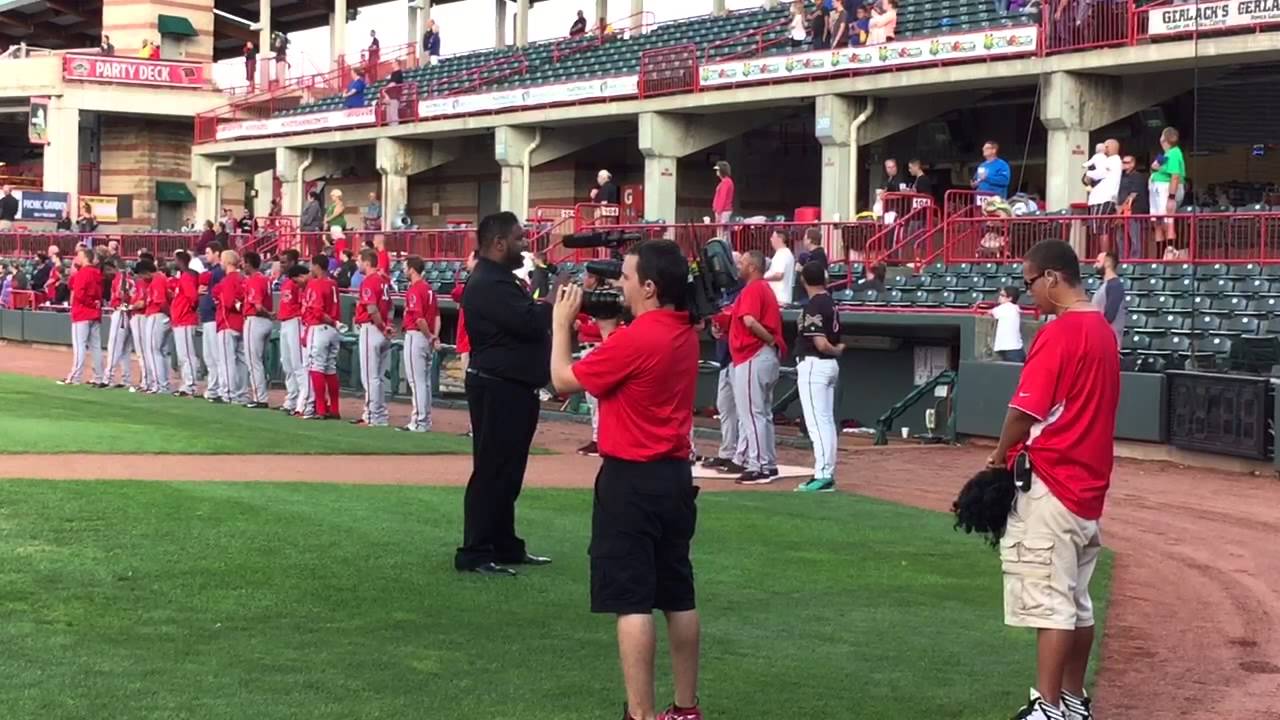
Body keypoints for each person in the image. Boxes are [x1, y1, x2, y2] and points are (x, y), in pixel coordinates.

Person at [548, 239, 704, 720]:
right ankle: (684, 708)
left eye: (629, 277)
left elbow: (562, 379)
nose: (620, 283)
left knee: (631, 601)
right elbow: (631, 354)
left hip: (630, 480)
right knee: (678, 593)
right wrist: (609, 325)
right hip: (675, 477)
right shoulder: (684, 330)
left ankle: (640, 714)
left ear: (650, 287)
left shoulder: (639, 339)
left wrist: (560, 326)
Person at [987, 239, 1118, 720]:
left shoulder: (1061, 333)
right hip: (1088, 488)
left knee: (1051, 604)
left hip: (1053, 481)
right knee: (1077, 603)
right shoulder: (1103, 330)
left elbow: (1024, 411)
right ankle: (1073, 702)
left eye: (1029, 284)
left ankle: (1048, 708)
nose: (1028, 296)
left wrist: (999, 455)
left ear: (1052, 278)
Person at [455, 211, 554, 576]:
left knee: (508, 472)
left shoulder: (500, 279)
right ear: (498, 243)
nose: (524, 244)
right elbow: (530, 322)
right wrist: (552, 301)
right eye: (518, 238)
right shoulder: (487, 282)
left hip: (513, 387)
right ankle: (475, 552)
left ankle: (504, 544)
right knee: (492, 472)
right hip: (498, 387)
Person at [728, 250, 786, 485]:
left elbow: (749, 321)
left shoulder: (753, 288)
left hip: (754, 354)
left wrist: (769, 340)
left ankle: (759, 465)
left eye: (742, 263)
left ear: (752, 267)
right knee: (762, 414)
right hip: (764, 356)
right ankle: (768, 463)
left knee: (752, 414)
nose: (738, 266)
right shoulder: (763, 288)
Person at [794, 260, 845, 493]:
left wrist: (836, 350)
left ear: (804, 280)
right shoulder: (830, 302)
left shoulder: (814, 305)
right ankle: (825, 473)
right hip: (827, 366)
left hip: (816, 365)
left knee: (818, 424)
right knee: (825, 423)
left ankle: (823, 474)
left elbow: (822, 344)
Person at [400, 256, 441, 432]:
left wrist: (430, 336)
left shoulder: (416, 289)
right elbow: (437, 316)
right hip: (426, 337)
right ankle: (424, 421)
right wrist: (434, 336)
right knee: (424, 383)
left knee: (417, 383)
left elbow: (418, 318)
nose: (403, 269)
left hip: (417, 336)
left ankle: (419, 422)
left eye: (405, 267)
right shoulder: (429, 289)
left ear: (412, 269)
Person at [354, 248, 393, 427]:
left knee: (370, 377)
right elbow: (391, 307)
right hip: (382, 330)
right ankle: (380, 415)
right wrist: (388, 325)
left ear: (367, 263)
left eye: (359, 260)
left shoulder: (369, 281)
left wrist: (382, 327)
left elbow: (372, 309)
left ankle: (372, 416)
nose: (357, 263)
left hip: (373, 329)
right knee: (378, 377)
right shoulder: (384, 281)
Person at [302, 254, 341, 419]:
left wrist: (330, 321)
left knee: (316, 368)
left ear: (317, 266)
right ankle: (334, 409)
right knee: (330, 368)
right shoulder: (333, 283)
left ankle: (320, 409)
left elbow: (317, 311)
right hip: (333, 330)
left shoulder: (315, 284)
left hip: (319, 328)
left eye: (312, 264)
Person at [60, 248, 104, 387]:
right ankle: (99, 377)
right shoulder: (97, 273)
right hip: (95, 313)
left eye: (79, 256)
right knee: (96, 347)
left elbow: (78, 294)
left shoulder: (82, 273)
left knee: (80, 347)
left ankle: (75, 377)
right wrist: (94, 304)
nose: (76, 258)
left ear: (86, 258)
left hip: (82, 313)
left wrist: (90, 304)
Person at [214, 250, 248, 406]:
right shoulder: (243, 278)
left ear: (227, 262)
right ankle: (241, 394)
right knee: (241, 361)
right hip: (242, 324)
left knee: (227, 361)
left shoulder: (228, 280)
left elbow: (229, 302)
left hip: (227, 323)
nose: (220, 263)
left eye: (222, 260)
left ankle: (228, 394)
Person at [242, 251, 274, 409]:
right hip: (265, 323)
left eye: (244, 262)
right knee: (260, 362)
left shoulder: (254, 280)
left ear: (249, 263)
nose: (243, 265)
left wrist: (269, 314)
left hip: (255, 320)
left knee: (253, 362)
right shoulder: (265, 278)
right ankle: (261, 396)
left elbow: (258, 306)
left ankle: (260, 398)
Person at [277, 255, 309, 415]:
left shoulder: (298, 283)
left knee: (297, 363)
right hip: (284, 322)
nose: (281, 265)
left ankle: (302, 401)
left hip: (295, 321)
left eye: (284, 262)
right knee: (286, 363)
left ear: (292, 262)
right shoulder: (286, 282)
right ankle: (291, 399)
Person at [169, 251, 201, 397]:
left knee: (187, 355)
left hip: (186, 320)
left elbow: (193, 298)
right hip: (180, 320)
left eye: (175, 260)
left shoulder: (187, 276)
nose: (173, 262)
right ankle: (186, 384)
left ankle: (191, 385)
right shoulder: (184, 276)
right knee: (183, 356)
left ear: (180, 261)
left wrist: (188, 311)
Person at [198, 243, 226, 401]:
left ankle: (220, 389)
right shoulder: (211, 272)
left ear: (217, 253)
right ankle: (213, 388)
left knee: (217, 357)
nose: (206, 255)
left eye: (208, 252)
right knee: (209, 356)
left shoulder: (219, 271)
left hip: (216, 317)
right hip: (207, 317)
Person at [1150, 126, 1185, 250]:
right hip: (1157, 189)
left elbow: (1175, 176)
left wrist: (1171, 197)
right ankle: (1161, 255)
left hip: (1167, 189)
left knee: (1168, 221)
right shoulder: (1166, 154)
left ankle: (1170, 251)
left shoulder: (1174, 153)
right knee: (1158, 222)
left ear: (1163, 138)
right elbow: (1159, 168)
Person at [1085, 139, 1122, 254]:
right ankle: (1101, 255)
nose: (1103, 149)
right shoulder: (1107, 160)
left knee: (1102, 229)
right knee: (1098, 229)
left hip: (1104, 198)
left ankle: (1104, 256)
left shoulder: (1113, 160)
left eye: (1106, 146)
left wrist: (1089, 174)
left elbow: (1100, 173)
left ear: (1111, 147)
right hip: (1099, 198)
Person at [103, 258, 134, 388]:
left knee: (114, 347)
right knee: (125, 350)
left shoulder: (122, 278)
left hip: (121, 312)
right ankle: (126, 380)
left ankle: (108, 378)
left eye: (108, 269)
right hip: (127, 313)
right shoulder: (127, 277)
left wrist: (124, 307)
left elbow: (125, 296)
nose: (106, 272)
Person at [144, 256, 172, 395]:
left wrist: (170, 315)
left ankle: (160, 386)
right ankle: (164, 385)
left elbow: (161, 302)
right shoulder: (161, 278)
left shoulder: (157, 280)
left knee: (153, 350)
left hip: (158, 315)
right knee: (161, 351)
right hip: (162, 317)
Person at [126, 254, 152, 393]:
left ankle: (146, 382)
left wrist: (130, 307)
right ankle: (146, 381)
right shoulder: (142, 282)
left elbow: (142, 302)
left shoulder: (143, 283)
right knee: (144, 352)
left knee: (143, 352)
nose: (138, 276)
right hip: (142, 317)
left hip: (141, 317)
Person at [1117, 155, 1149, 259]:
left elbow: (1133, 194)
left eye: (1126, 162)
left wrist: (1121, 208)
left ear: (1132, 164)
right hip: (1121, 211)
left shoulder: (1137, 176)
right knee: (1120, 237)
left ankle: (1135, 261)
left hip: (1134, 211)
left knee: (1135, 237)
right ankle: (1122, 259)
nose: (1123, 164)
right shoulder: (1120, 177)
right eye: (1123, 162)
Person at [1091, 252, 1125, 346]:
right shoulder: (1106, 285)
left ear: (1107, 263)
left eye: (1098, 261)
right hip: (1101, 340)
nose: (1094, 265)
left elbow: (1109, 316)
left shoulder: (1115, 286)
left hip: (1107, 342)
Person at [991, 286, 1025, 362]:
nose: (999, 297)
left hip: (1011, 351)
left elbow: (992, 312)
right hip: (1015, 350)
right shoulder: (1014, 308)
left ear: (1010, 298)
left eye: (1002, 295)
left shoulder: (1006, 307)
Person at [762, 230, 796, 305]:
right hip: (783, 298)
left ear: (780, 239)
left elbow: (779, 275)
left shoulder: (781, 254)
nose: (771, 239)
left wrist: (762, 278)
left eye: (773, 237)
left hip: (778, 298)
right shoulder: (787, 253)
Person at [712, 161, 735, 227]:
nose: (716, 171)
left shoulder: (726, 182)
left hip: (723, 211)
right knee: (721, 231)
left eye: (718, 170)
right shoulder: (724, 182)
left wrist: (719, 211)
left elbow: (722, 198)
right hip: (722, 211)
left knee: (722, 232)